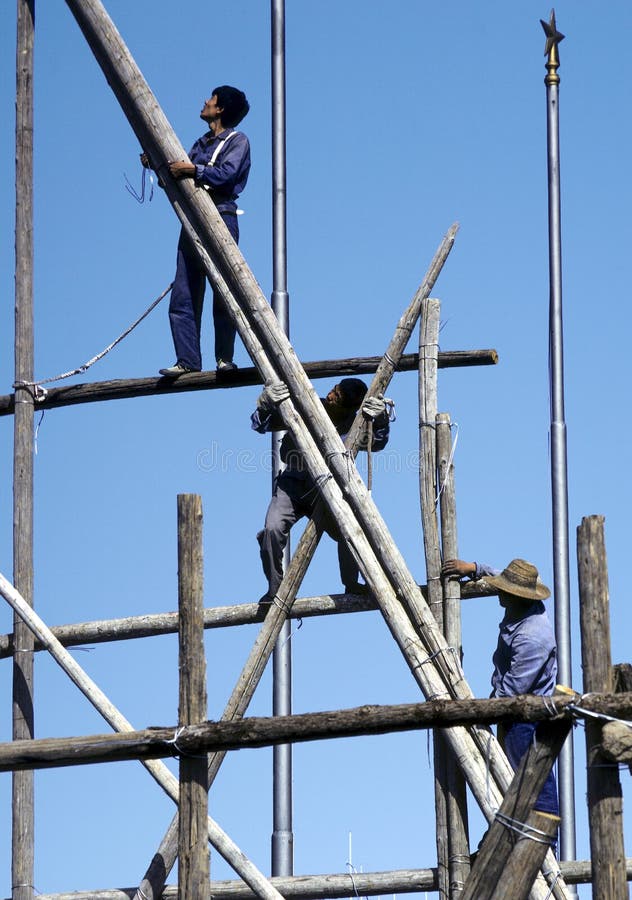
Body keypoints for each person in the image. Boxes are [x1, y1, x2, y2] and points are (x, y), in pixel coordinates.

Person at [143, 85, 251, 377]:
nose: (205, 101)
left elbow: (226, 174)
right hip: (192, 220)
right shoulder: (201, 143)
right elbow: (178, 175)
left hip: (221, 217)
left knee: (224, 289)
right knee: (184, 291)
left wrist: (192, 170)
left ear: (221, 108)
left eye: (212, 99)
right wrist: (159, 167)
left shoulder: (237, 141)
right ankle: (187, 359)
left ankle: (224, 359)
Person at [252, 378, 392, 604]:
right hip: (293, 484)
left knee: (353, 531)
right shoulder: (305, 407)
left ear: (349, 407)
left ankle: (351, 583)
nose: (330, 396)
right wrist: (266, 404)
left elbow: (378, 442)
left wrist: (381, 418)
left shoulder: (355, 425)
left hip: (327, 490)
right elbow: (260, 424)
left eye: (337, 397)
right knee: (272, 530)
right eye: (334, 390)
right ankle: (275, 589)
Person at [442, 557, 559, 818]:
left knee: (533, 785)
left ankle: (546, 847)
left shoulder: (533, 637)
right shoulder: (524, 607)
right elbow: (504, 576)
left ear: (518, 596)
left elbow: (514, 688)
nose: (500, 592)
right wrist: (475, 569)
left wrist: (486, 709)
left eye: (505, 590)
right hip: (513, 713)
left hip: (526, 718)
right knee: (514, 784)